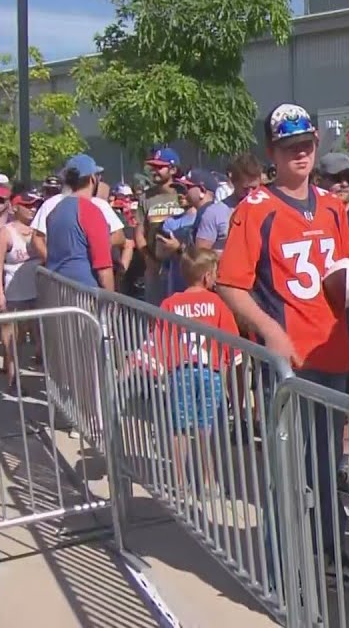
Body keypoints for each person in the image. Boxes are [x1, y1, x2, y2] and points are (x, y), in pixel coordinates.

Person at [216, 103, 349, 589]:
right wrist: (271, 330)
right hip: (288, 362)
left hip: (332, 352)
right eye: (290, 146)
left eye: (306, 143)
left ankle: (330, 556)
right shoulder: (255, 209)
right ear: (272, 153)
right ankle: (282, 569)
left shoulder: (331, 205)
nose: (301, 153)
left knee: (329, 468)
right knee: (285, 470)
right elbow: (230, 284)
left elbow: (345, 273)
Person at [152, 247, 240, 492]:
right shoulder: (217, 304)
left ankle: (179, 480)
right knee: (206, 427)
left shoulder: (169, 304)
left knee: (179, 427)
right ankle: (209, 480)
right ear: (207, 277)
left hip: (179, 372)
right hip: (209, 372)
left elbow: (159, 340)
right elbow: (233, 345)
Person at [0, 187, 43, 390]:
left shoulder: (40, 230)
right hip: (16, 294)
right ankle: (14, 378)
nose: (32, 210)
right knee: (16, 339)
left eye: (35, 205)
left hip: (40, 293)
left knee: (42, 337)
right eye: (27, 206)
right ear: (15, 208)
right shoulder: (7, 232)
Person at [43, 155, 116, 291]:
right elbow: (103, 268)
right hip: (84, 295)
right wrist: (111, 303)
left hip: (56, 291)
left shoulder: (55, 211)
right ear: (93, 178)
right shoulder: (91, 211)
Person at [136, 146, 186, 305]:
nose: (154, 171)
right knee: (156, 317)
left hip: (182, 267)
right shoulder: (146, 197)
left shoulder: (183, 194)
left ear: (172, 169)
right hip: (155, 269)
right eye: (153, 167)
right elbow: (139, 232)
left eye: (159, 167)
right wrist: (147, 258)